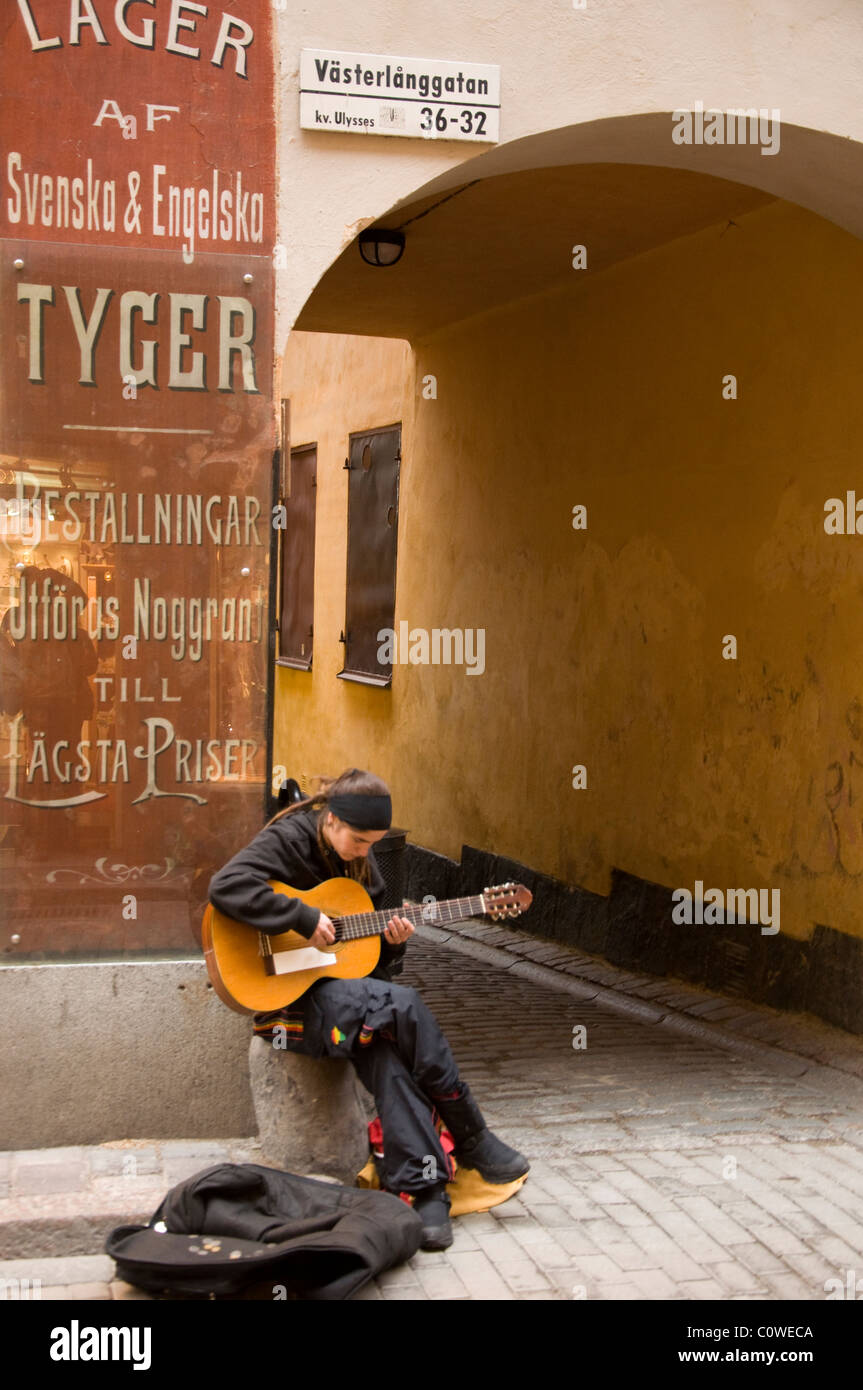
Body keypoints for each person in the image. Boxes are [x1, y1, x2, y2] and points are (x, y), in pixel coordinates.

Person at [208, 767, 529, 1250]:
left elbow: (370, 970)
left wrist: (394, 944)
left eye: (372, 842)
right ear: (331, 819)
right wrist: (302, 915)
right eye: (358, 840)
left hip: (342, 1001)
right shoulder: (290, 837)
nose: (365, 852)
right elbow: (225, 886)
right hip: (286, 1001)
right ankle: (472, 1137)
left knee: (386, 1054)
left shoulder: (362, 865)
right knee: (406, 1006)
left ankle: (425, 1194)